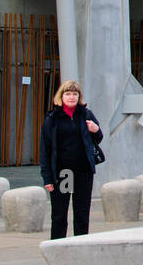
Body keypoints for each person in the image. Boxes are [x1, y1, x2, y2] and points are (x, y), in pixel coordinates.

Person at [39, 79, 102, 240]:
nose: (71, 97)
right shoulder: (53, 118)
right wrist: (47, 178)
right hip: (63, 172)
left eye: (75, 94)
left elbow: (97, 138)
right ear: (61, 96)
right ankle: (58, 246)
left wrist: (96, 130)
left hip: (83, 170)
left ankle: (81, 244)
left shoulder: (86, 114)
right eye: (68, 94)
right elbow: (45, 149)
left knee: (82, 212)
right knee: (60, 213)